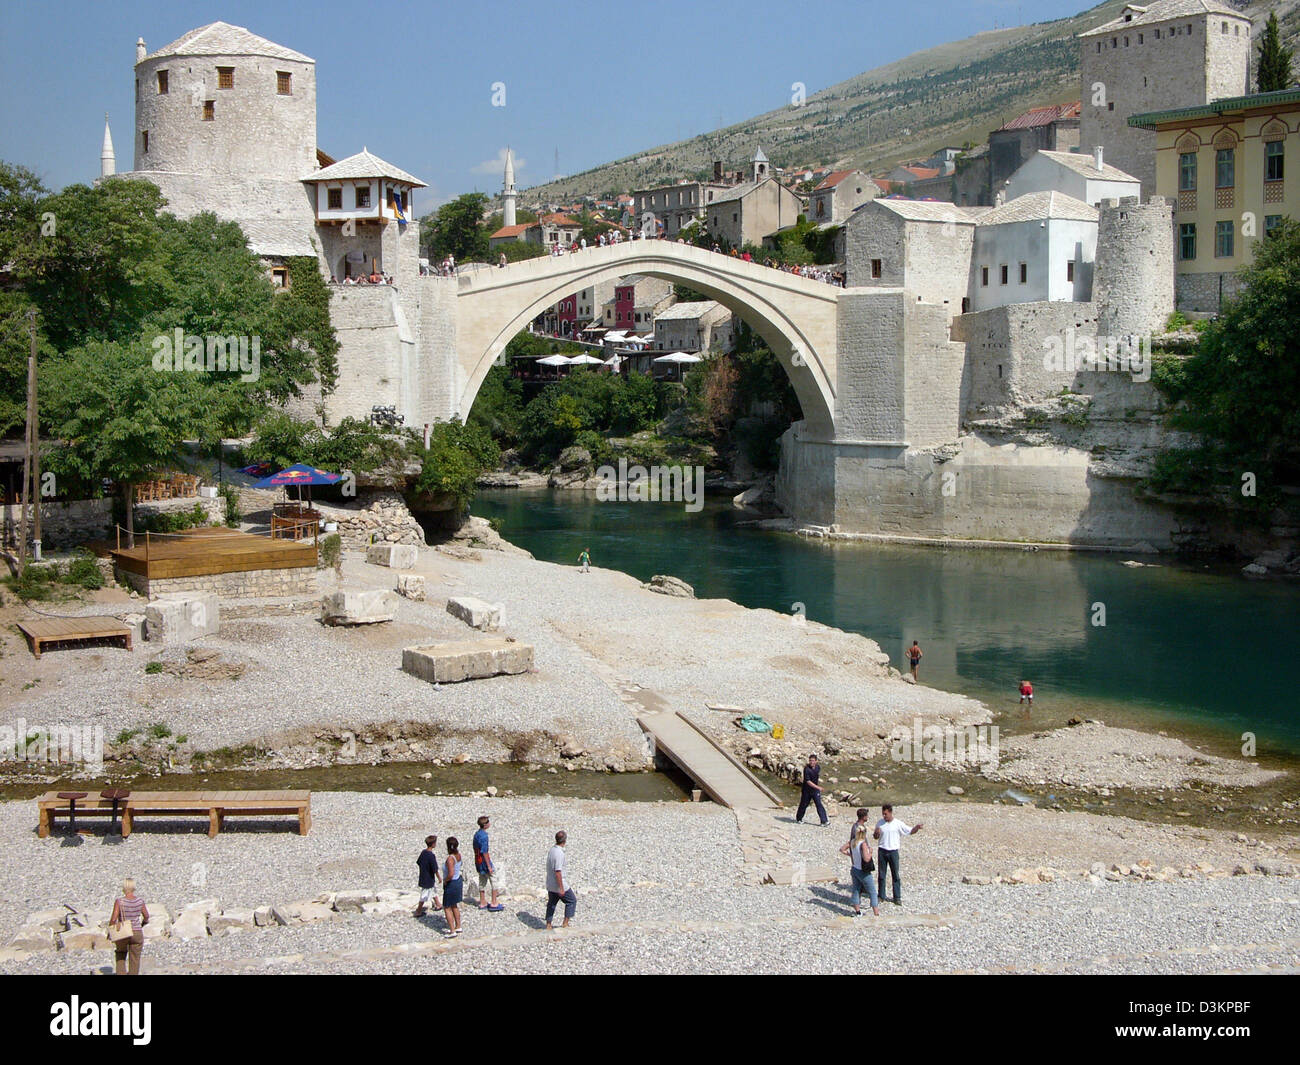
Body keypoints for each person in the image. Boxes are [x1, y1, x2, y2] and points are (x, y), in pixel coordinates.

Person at [873, 803, 923, 906]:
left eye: (886, 814)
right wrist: (876, 833)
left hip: (893, 851)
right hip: (882, 850)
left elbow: (910, 831)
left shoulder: (898, 823)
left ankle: (897, 897)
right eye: (883, 814)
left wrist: (917, 828)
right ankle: (881, 896)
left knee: (895, 875)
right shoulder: (880, 823)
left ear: (890, 812)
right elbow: (875, 837)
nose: (884, 816)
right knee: (881, 875)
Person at [839, 809, 880, 916]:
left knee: (856, 890)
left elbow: (842, 849)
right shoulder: (863, 844)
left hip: (854, 869)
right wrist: (870, 852)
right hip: (863, 871)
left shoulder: (852, 842)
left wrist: (850, 854)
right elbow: (866, 859)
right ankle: (876, 913)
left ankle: (858, 912)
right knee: (872, 892)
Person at [109, 878, 149, 975]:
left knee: (121, 954)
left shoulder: (119, 901)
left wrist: (110, 930)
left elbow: (114, 919)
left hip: (123, 932)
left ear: (124, 887)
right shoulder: (140, 901)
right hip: (137, 931)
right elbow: (146, 916)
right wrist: (142, 923)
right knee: (135, 957)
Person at [545, 830, 576, 930]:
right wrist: (561, 888)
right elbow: (558, 871)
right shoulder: (559, 853)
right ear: (564, 841)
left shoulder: (552, 850)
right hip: (558, 883)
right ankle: (565, 923)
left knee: (552, 903)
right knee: (571, 900)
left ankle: (548, 924)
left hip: (550, 883)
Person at [473, 815, 504, 911]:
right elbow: (484, 852)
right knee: (494, 880)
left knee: (482, 881)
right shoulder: (484, 836)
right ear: (485, 825)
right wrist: (489, 866)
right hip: (484, 861)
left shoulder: (476, 834)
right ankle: (494, 902)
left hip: (477, 860)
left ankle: (482, 902)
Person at [795, 752, 829, 826]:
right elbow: (808, 781)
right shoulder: (806, 769)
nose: (811, 762)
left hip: (814, 791)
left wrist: (817, 787)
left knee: (819, 804)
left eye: (813, 760)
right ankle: (799, 818)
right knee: (803, 805)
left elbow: (816, 776)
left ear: (816, 761)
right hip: (806, 791)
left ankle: (824, 821)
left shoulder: (817, 767)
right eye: (810, 760)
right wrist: (818, 787)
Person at [414, 834, 442, 917]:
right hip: (428, 877)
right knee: (425, 893)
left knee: (433, 890)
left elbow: (418, 862)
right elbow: (435, 869)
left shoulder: (423, 852)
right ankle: (418, 910)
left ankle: (438, 904)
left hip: (423, 875)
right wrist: (439, 877)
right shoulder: (431, 856)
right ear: (433, 844)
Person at [442, 837, 464, 936]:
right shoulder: (458, 855)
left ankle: (452, 930)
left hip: (452, 883)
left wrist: (445, 880)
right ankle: (458, 925)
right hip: (458, 881)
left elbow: (450, 874)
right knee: (454, 905)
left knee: (447, 907)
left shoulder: (450, 859)